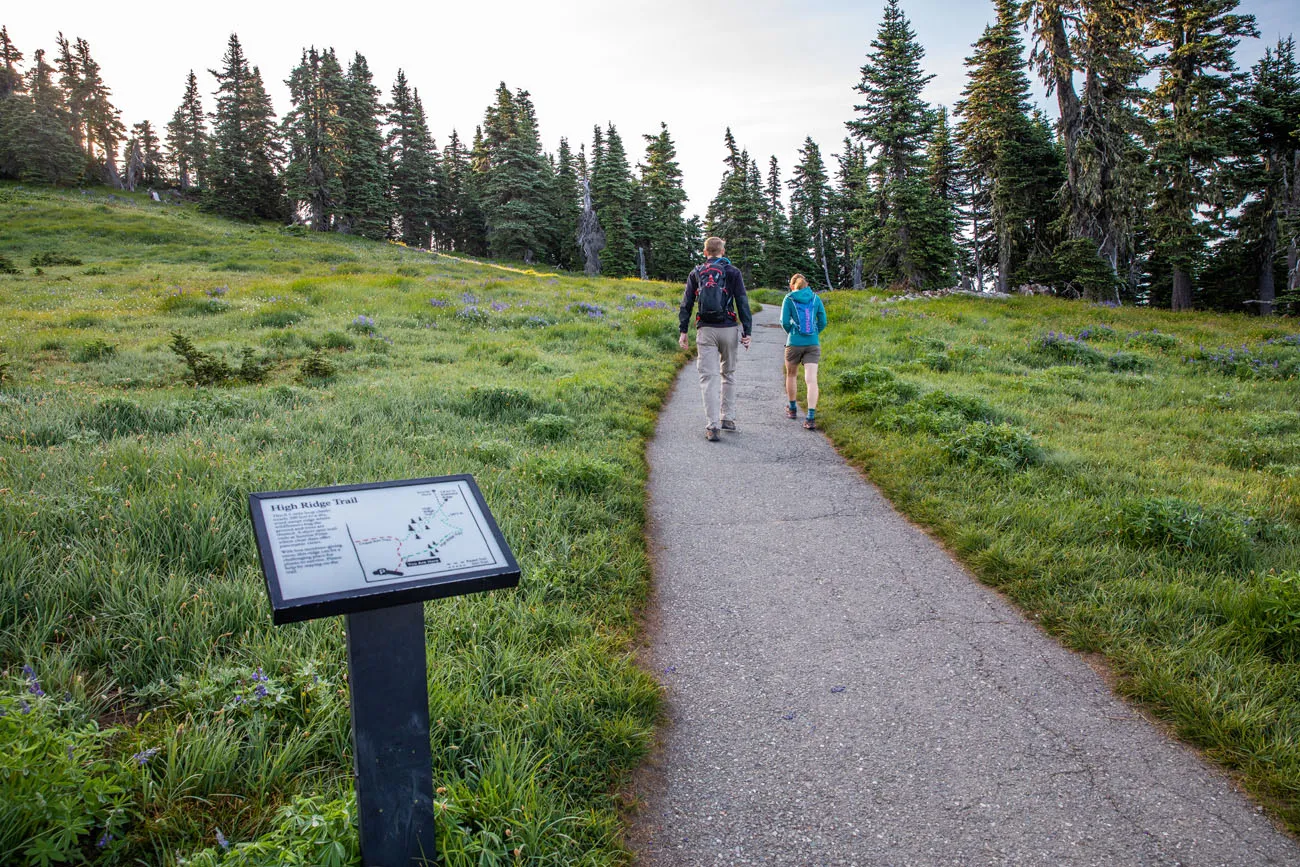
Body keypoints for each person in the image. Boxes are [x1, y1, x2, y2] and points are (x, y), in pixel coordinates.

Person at [678, 237, 752, 441]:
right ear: (722, 251)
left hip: (706, 329)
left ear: (705, 252)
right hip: (728, 328)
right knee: (728, 373)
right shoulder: (733, 272)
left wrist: (683, 331)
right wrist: (747, 332)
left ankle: (712, 426)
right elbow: (742, 302)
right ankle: (727, 417)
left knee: (708, 377)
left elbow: (686, 304)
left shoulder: (696, 272)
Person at [780, 273, 827, 430]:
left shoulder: (789, 298)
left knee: (791, 375)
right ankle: (810, 417)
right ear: (806, 285)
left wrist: (793, 333)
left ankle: (792, 409)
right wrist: (814, 333)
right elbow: (823, 321)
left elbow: (784, 322)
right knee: (811, 379)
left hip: (794, 343)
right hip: (813, 343)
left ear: (792, 286)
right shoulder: (815, 298)